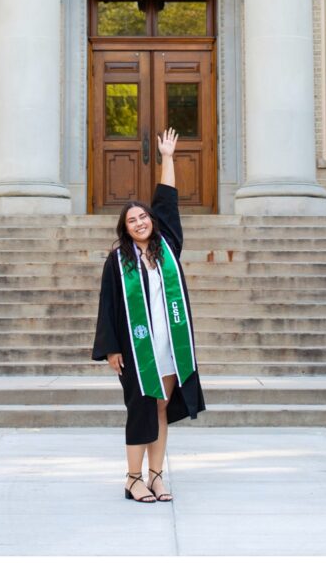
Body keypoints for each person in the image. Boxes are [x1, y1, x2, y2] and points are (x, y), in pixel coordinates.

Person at [91, 127, 207, 504]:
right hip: (137, 350)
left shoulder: (167, 247)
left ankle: (156, 477)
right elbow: (107, 305)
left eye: (143, 217)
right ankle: (132, 478)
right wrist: (111, 349)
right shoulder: (118, 261)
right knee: (139, 410)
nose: (140, 222)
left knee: (160, 408)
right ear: (124, 229)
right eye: (132, 220)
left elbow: (168, 200)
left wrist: (168, 159)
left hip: (168, 346)